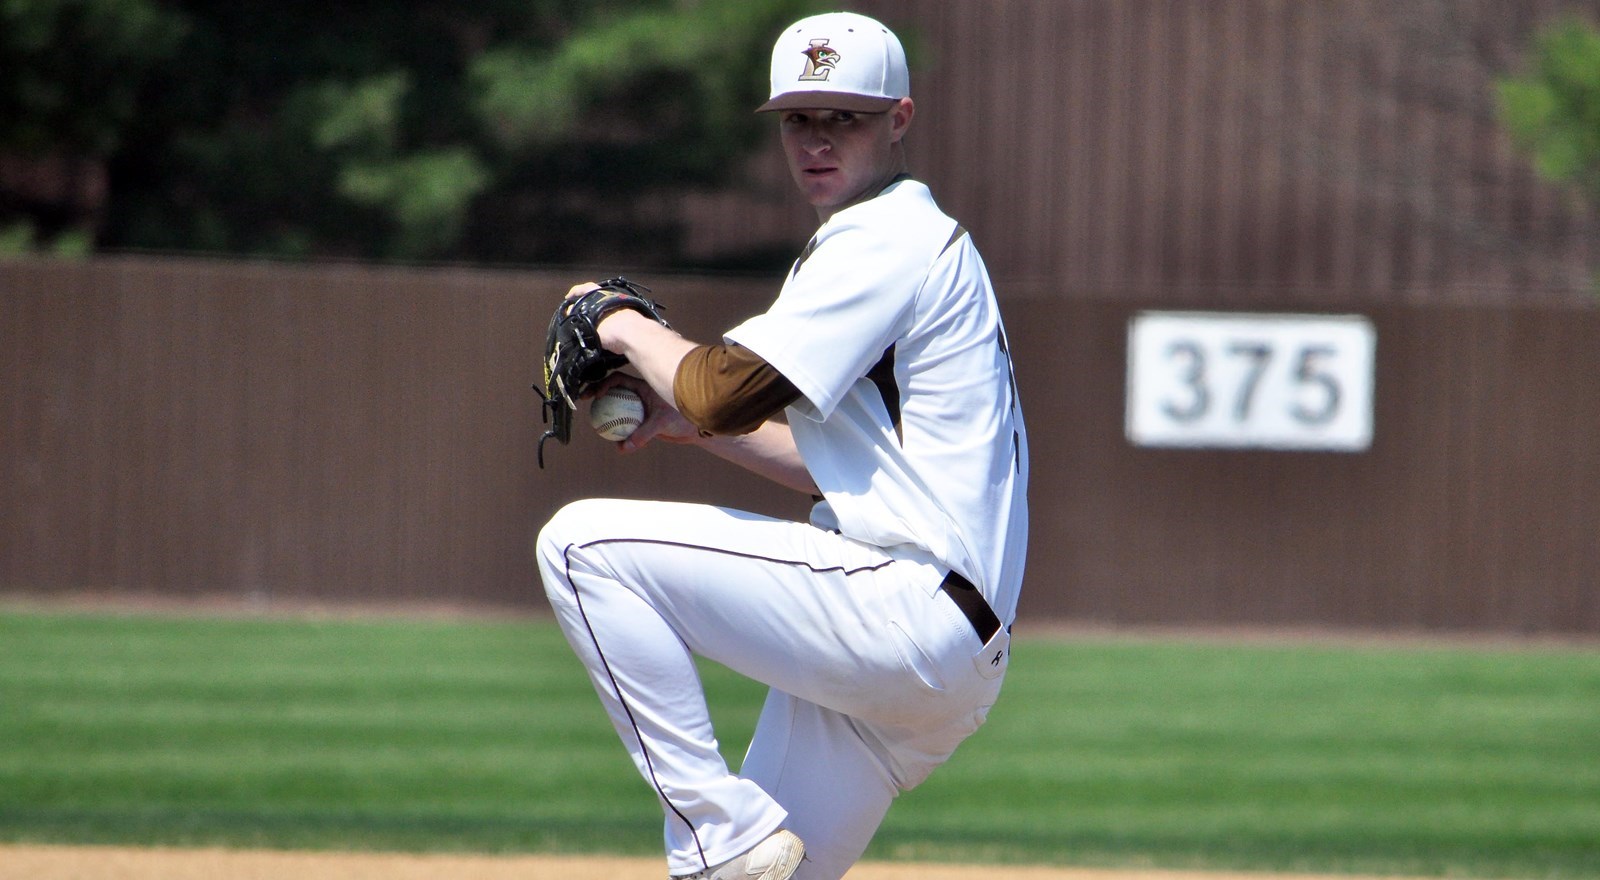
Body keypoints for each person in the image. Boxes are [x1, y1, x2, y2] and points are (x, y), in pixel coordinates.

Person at [535, 11, 1028, 880]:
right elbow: (820, 461)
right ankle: (722, 854)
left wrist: (616, 320)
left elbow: (723, 386)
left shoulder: (888, 237)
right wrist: (676, 423)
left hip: (905, 612)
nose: (818, 140)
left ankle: (717, 833)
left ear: (899, 119)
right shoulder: (899, 240)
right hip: (932, 659)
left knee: (580, 548)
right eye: (801, 119)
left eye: (846, 117)